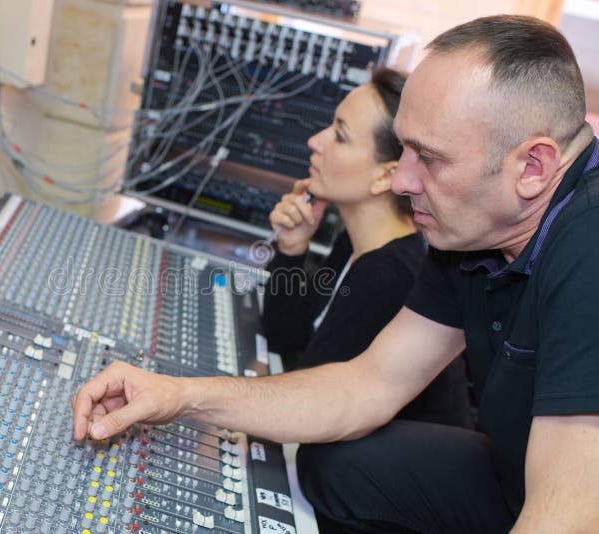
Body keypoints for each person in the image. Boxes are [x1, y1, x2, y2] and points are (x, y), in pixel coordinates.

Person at [72, 15, 599, 533]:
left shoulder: (588, 247)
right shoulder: (467, 232)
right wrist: (180, 395)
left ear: (532, 168)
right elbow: (367, 384)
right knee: (337, 466)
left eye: (430, 159)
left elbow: (567, 515)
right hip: (516, 479)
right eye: (404, 148)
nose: (402, 182)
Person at [262, 68, 471, 428]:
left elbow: (304, 408)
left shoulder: (390, 276)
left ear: (385, 176)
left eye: (340, 135)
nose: (316, 140)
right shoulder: (357, 242)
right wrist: (292, 247)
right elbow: (285, 335)